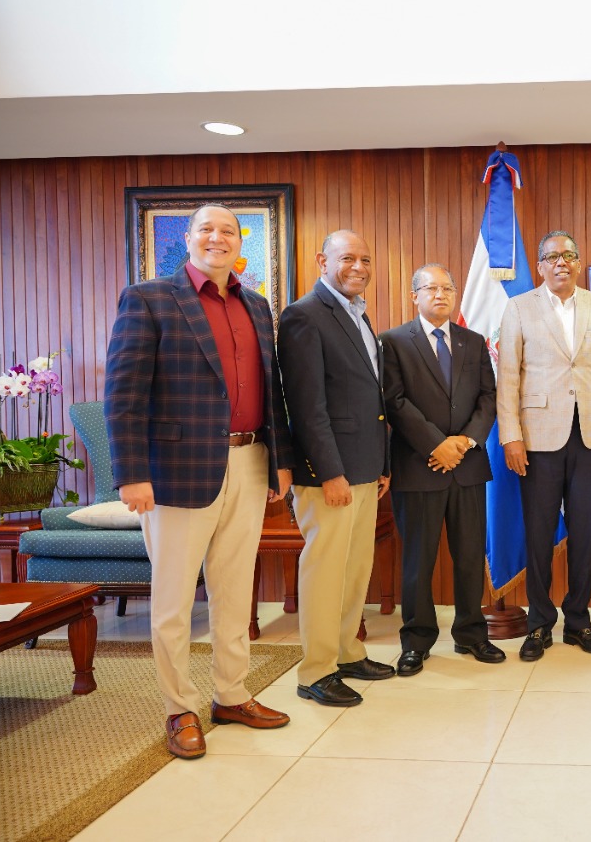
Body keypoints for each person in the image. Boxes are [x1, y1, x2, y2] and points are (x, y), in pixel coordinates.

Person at [105, 203, 294, 760]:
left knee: (237, 592)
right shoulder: (150, 298)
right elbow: (125, 391)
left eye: (228, 231)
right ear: (187, 239)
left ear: (241, 243)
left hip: (250, 459)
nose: (218, 237)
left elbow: (272, 388)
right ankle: (179, 707)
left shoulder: (256, 304)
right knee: (173, 599)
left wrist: (279, 459)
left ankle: (231, 695)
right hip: (174, 472)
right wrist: (132, 473)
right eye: (206, 229)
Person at [496, 231, 591, 661]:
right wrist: (511, 436)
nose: (561, 263)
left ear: (577, 262)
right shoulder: (519, 307)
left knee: (585, 532)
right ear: (540, 266)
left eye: (569, 256)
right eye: (552, 257)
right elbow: (509, 377)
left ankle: (579, 620)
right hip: (537, 437)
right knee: (538, 532)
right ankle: (539, 623)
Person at [278, 230, 394, 707]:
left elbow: (371, 398)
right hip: (330, 472)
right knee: (326, 571)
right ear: (324, 260)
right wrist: (330, 471)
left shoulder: (358, 313)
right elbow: (307, 407)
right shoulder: (304, 316)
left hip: (366, 466)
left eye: (366, 259)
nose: (359, 267)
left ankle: (347, 652)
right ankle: (316, 671)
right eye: (349, 258)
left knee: (354, 567)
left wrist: (382, 465)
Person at [380, 263, 504, 676]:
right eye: (430, 288)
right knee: (418, 559)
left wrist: (464, 442)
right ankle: (416, 641)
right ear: (414, 295)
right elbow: (395, 402)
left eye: (447, 288)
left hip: (467, 466)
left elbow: (489, 397)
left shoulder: (473, 340)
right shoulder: (394, 341)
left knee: (470, 556)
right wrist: (437, 444)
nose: (440, 295)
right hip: (420, 466)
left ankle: (472, 634)